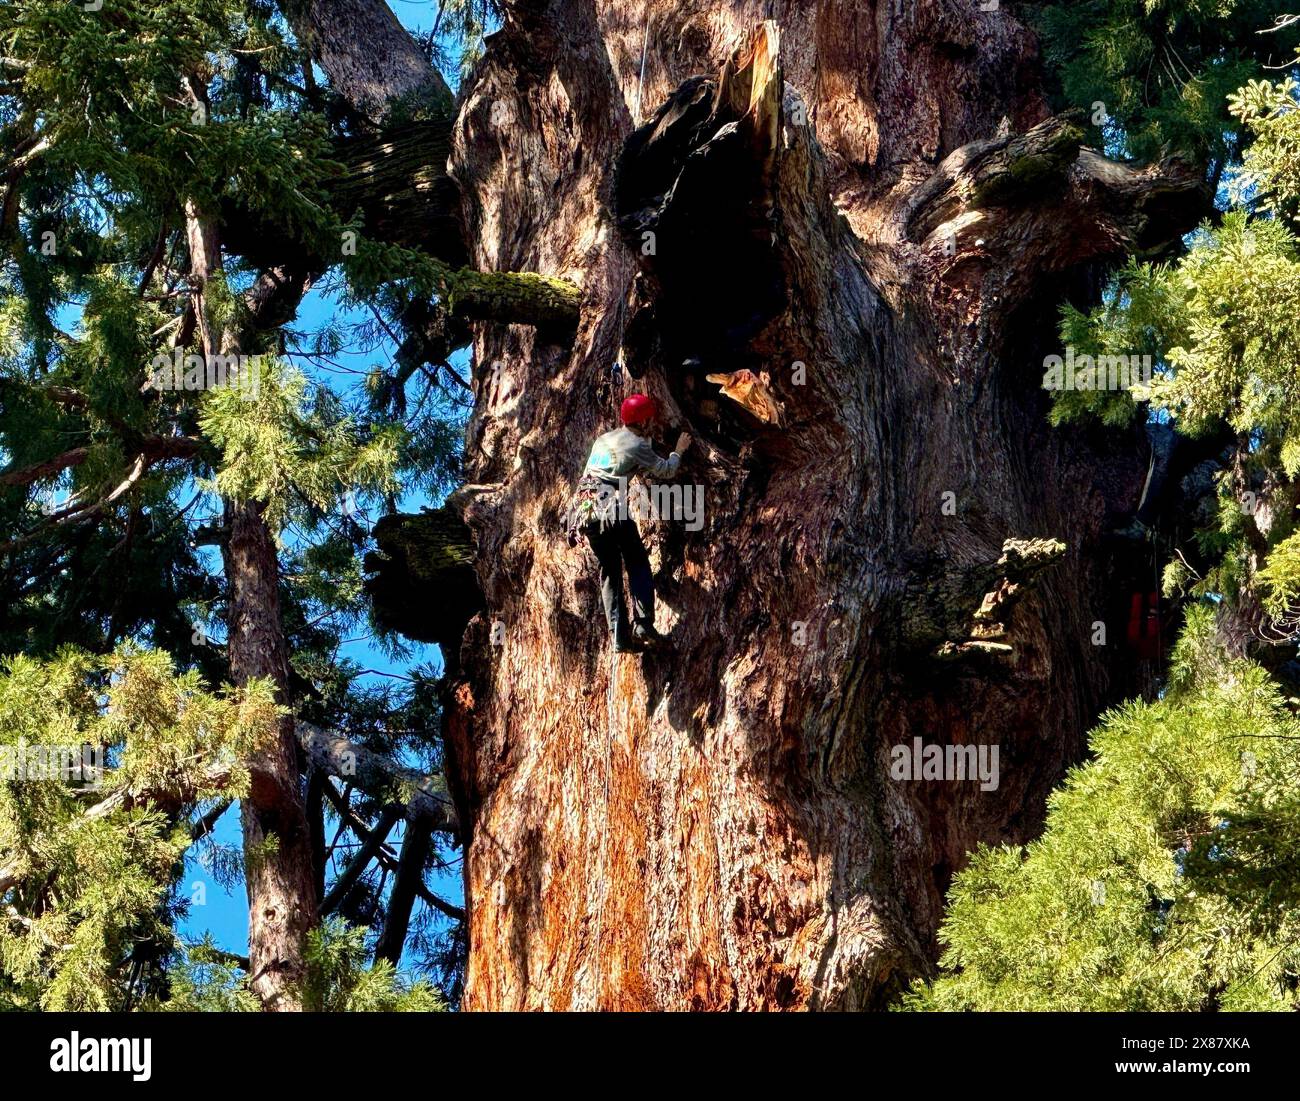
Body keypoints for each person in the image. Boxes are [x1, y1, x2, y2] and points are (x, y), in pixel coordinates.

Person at [567, 393, 691, 652]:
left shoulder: (603, 439)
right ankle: (643, 624)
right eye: (649, 419)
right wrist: (678, 450)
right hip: (609, 502)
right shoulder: (638, 445)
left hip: (584, 508)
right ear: (644, 420)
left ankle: (618, 637)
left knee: (609, 573)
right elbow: (666, 470)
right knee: (636, 560)